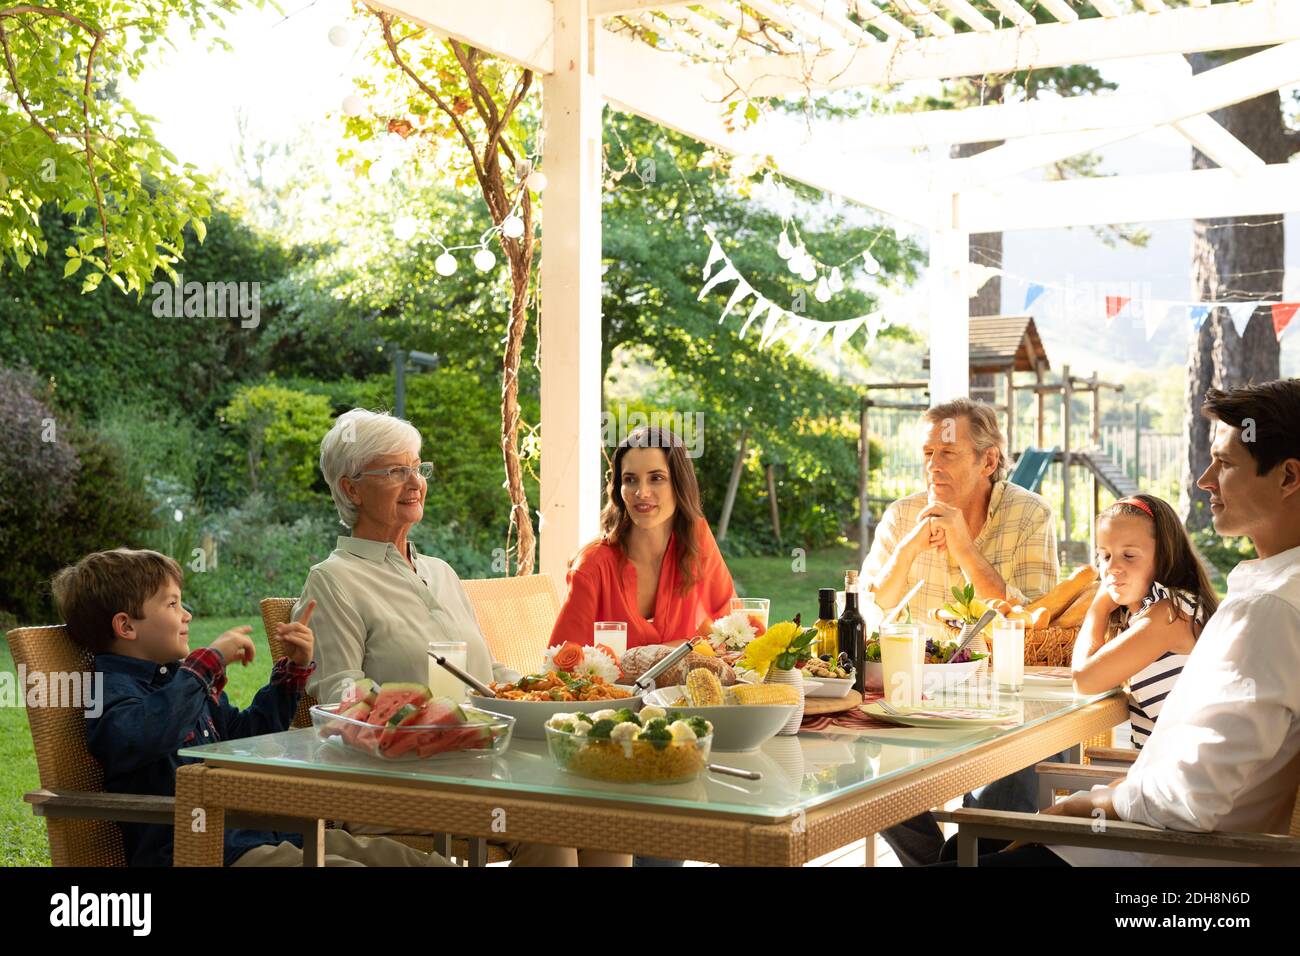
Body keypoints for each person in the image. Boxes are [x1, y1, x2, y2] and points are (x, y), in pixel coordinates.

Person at [955, 379, 1300, 866]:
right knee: (969, 839)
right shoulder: (1262, 595)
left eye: (1224, 463)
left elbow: (1188, 800)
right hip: (1142, 836)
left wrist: (1089, 802)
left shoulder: (1270, 612)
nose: (1204, 480)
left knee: (966, 836)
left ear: (1288, 477)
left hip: (1150, 856)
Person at [298, 408, 625, 866]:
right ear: (351, 488)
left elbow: (487, 674)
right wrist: (425, 720)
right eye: (396, 471)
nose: (415, 482)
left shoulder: (441, 572)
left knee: (607, 818)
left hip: (488, 768)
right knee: (555, 826)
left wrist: (548, 693)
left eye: (417, 468)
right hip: (399, 783)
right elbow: (340, 695)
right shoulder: (334, 580)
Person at [54, 548, 449, 866]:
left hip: (259, 833)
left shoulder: (178, 680)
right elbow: (144, 735)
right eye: (173, 604)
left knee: (395, 857)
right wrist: (204, 666)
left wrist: (292, 674)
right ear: (126, 627)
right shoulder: (106, 690)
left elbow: (247, 738)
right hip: (203, 852)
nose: (187, 613)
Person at [860, 398, 1061, 866]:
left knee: (1018, 766)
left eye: (947, 453)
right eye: (927, 453)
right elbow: (874, 606)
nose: (932, 465)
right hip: (919, 693)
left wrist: (965, 548)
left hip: (1007, 692)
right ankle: (944, 864)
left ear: (988, 460)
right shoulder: (902, 514)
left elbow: (1032, 618)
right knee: (867, 777)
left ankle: (962, 856)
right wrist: (909, 547)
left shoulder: (1030, 514)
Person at [549, 426, 736, 649]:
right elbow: (561, 664)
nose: (641, 493)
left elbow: (733, 628)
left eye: (656, 478)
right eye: (630, 480)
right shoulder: (592, 566)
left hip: (687, 684)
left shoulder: (695, 539)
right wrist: (682, 648)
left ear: (679, 484)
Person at [1072, 493, 1219, 750]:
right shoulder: (1149, 611)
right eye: (1105, 556)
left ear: (1163, 556)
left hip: (1183, 778)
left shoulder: (1172, 614)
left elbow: (1084, 680)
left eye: (1129, 555)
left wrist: (1099, 605)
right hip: (1160, 769)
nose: (1112, 567)